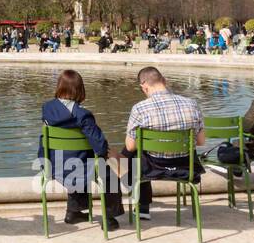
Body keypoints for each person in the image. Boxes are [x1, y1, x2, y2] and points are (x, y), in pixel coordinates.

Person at [37, 70, 122, 228]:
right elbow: (100, 145)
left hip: (53, 164)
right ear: (80, 89)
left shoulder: (47, 108)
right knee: (108, 171)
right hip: (78, 166)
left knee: (76, 157)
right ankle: (109, 218)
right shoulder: (82, 114)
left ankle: (73, 212)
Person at [123, 66, 205, 221]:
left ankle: (141, 206)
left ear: (144, 86)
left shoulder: (140, 108)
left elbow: (130, 146)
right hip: (185, 165)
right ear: (164, 81)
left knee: (128, 154)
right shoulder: (192, 104)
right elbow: (200, 141)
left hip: (154, 166)